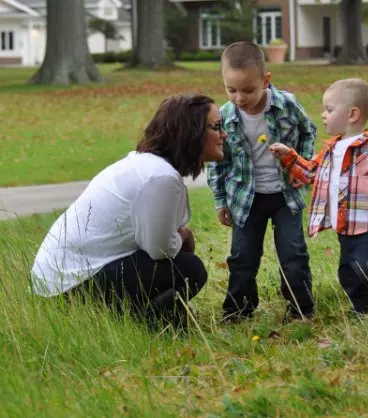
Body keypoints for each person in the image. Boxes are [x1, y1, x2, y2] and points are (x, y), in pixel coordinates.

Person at [31, 94, 227, 328]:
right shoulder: (159, 177)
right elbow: (159, 250)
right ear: (192, 131)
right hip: (67, 292)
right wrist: (184, 236)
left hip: (54, 286)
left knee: (183, 253)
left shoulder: (144, 165)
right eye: (217, 127)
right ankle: (147, 321)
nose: (224, 134)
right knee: (191, 269)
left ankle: (152, 315)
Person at [270, 78, 368, 324]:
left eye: (329, 109)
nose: (323, 115)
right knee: (348, 271)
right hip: (345, 225)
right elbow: (310, 173)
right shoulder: (329, 149)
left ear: (352, 114)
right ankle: (363, 309)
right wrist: (289, 157)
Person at [207, 41, 316, 323]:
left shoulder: (286, 105)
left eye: (248, 90)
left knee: (293, 253)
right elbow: (217, 161)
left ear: (265, 81)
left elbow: (308, 132)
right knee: (242, 256)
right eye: (231, 90)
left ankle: (300, 308)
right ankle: (238, 310)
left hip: (285, 194)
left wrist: (299, 164)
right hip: (246, 198)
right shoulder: (226, 116)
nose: (240, 98)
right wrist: (220, 201)